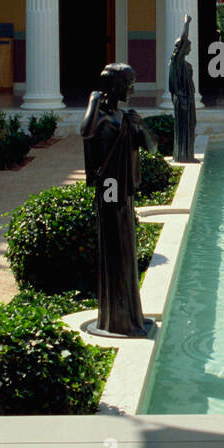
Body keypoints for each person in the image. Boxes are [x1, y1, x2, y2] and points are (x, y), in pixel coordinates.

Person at [80, 63, 157, 337]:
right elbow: (85, 130)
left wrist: (142, 125)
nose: (133, 89)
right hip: (110, 189)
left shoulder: (125, 117)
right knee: (115, 246)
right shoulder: (99, 115)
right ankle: (116, 320)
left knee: (125, 249)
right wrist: (92, 100)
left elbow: (152, 147)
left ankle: (129, 317)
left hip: (122, 190)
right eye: (129, 84)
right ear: (115, 87)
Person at [168, 13, 197, 162]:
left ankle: (188, 155)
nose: (190, 49)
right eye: (189, 46)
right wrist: (187, 24)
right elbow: (182, 41)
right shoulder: (176, 63)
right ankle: (182, 156)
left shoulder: (186, 65)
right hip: (182, 100)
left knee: (190, 126)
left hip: (189, 99)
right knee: (183, 127)